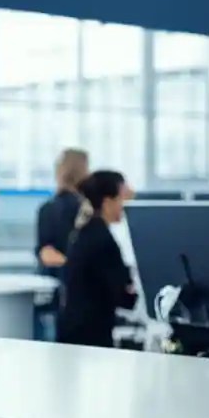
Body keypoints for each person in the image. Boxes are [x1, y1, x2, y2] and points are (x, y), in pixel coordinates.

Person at [59, 170, 137, 348]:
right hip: (90, 335)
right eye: (122, 199)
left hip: (75, 328)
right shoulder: (102, 239)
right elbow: (121, 294)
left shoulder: (85, 231)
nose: (125, 206)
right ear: (108, 202)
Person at [34, 148, 89, 340]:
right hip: (76, 296)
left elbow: (46, 254)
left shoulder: (48, 209)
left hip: (57, 294)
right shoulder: (88, 211)